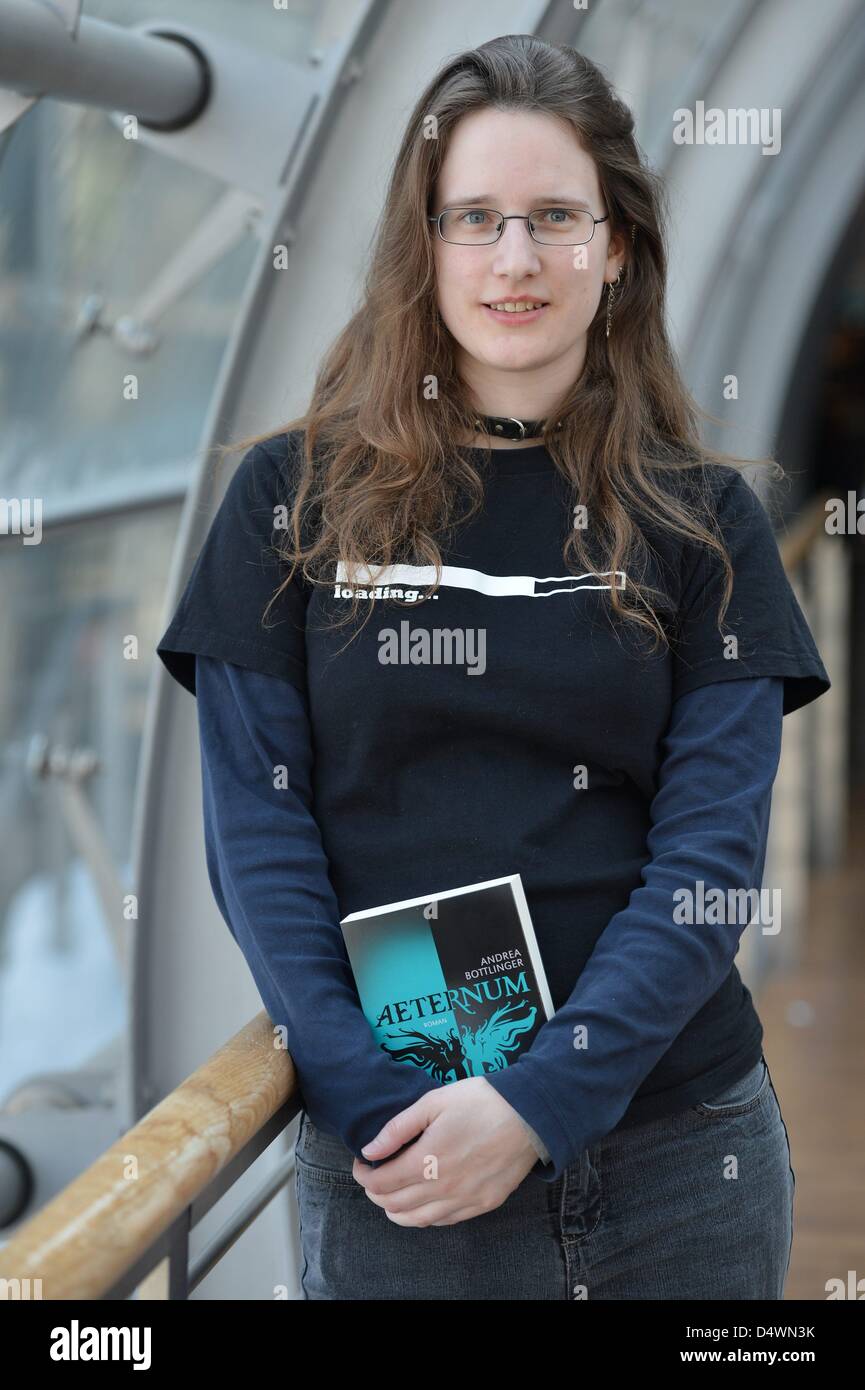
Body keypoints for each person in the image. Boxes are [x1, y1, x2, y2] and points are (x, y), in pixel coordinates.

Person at [156, 35, 830, 1299]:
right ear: (426, 242)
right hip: (403, 1171)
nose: (514, 259)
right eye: (474, 218)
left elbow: (707, 864)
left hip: (681, 1164)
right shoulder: (286, 503)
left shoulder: (703, 522)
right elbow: (257, 839)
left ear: (614, 245)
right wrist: (371, 1104)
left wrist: (539, 1100)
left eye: (554, 217)